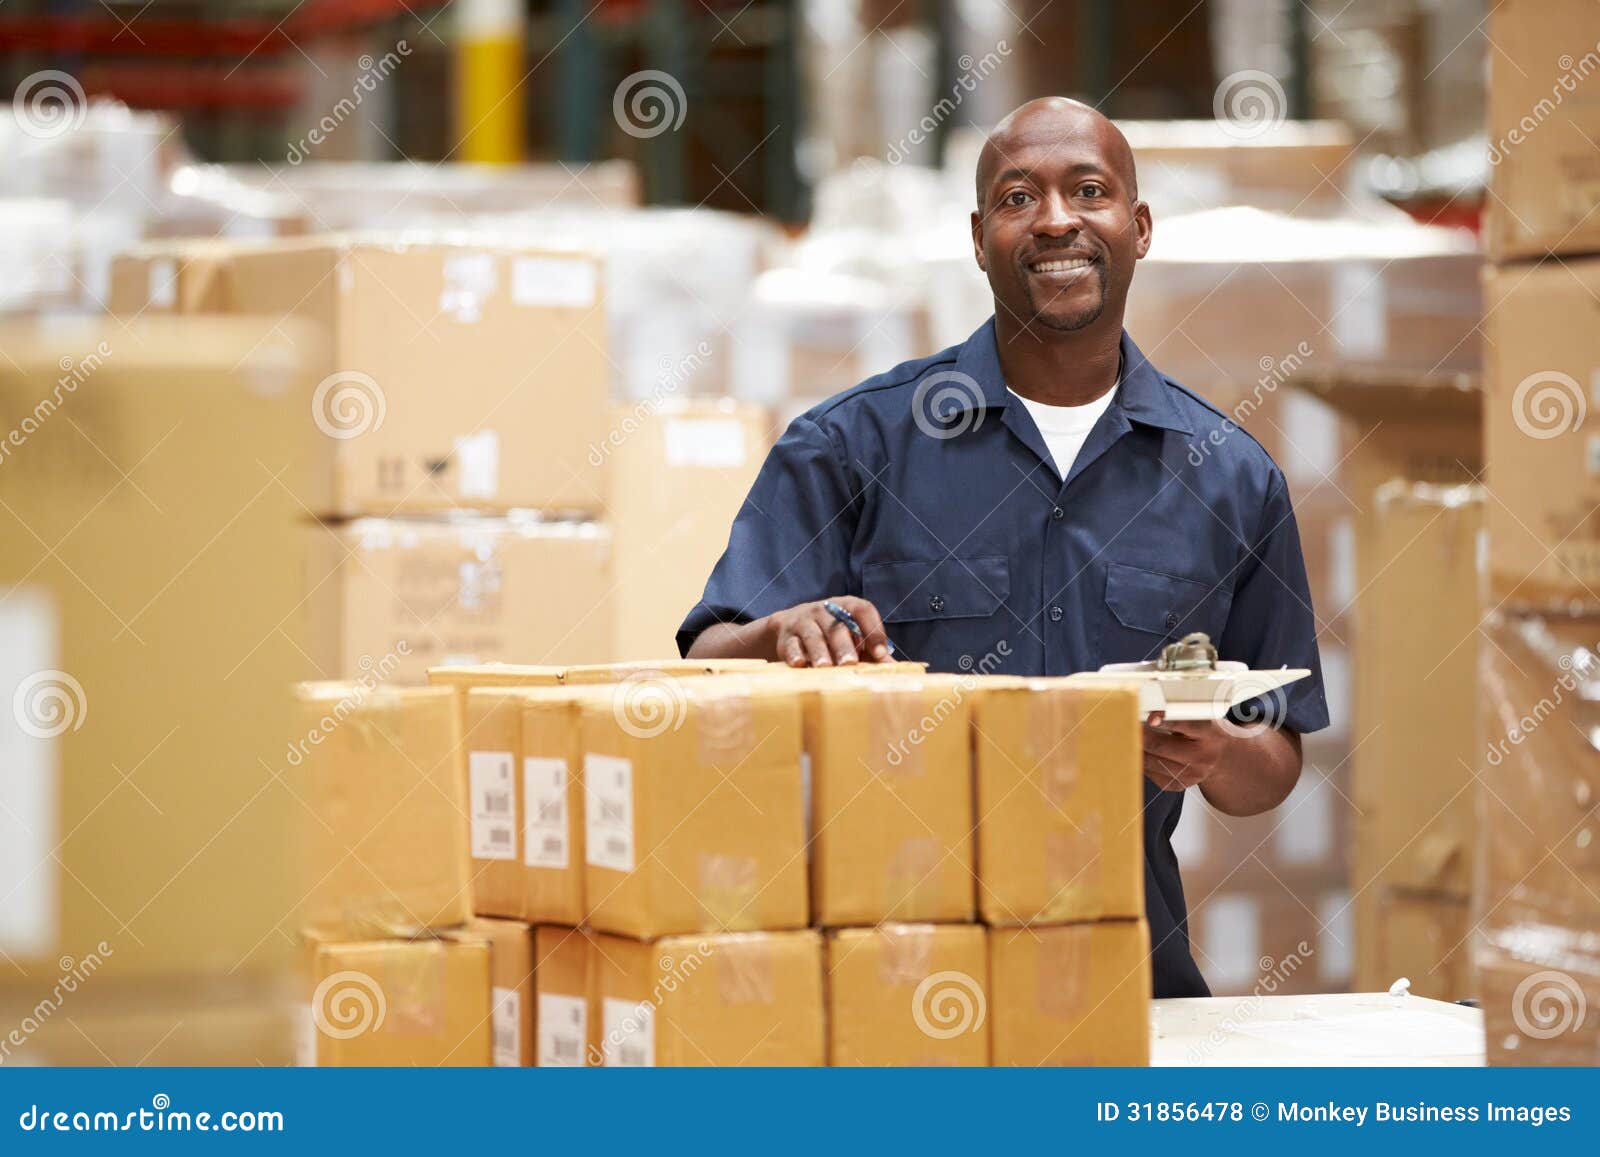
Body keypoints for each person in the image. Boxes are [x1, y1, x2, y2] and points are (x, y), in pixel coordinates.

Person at [676, 96, 1328, 997]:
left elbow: (1276, 756)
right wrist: (779, 633)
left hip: (1125, 982)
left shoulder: (1230, 478)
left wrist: (1216, 750)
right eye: (1021, 197)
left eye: (1089, 191)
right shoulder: (851, 446)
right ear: (980, 239)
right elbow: (707, 661)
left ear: (1138, 228)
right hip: (890, 981)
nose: (1057, 219)